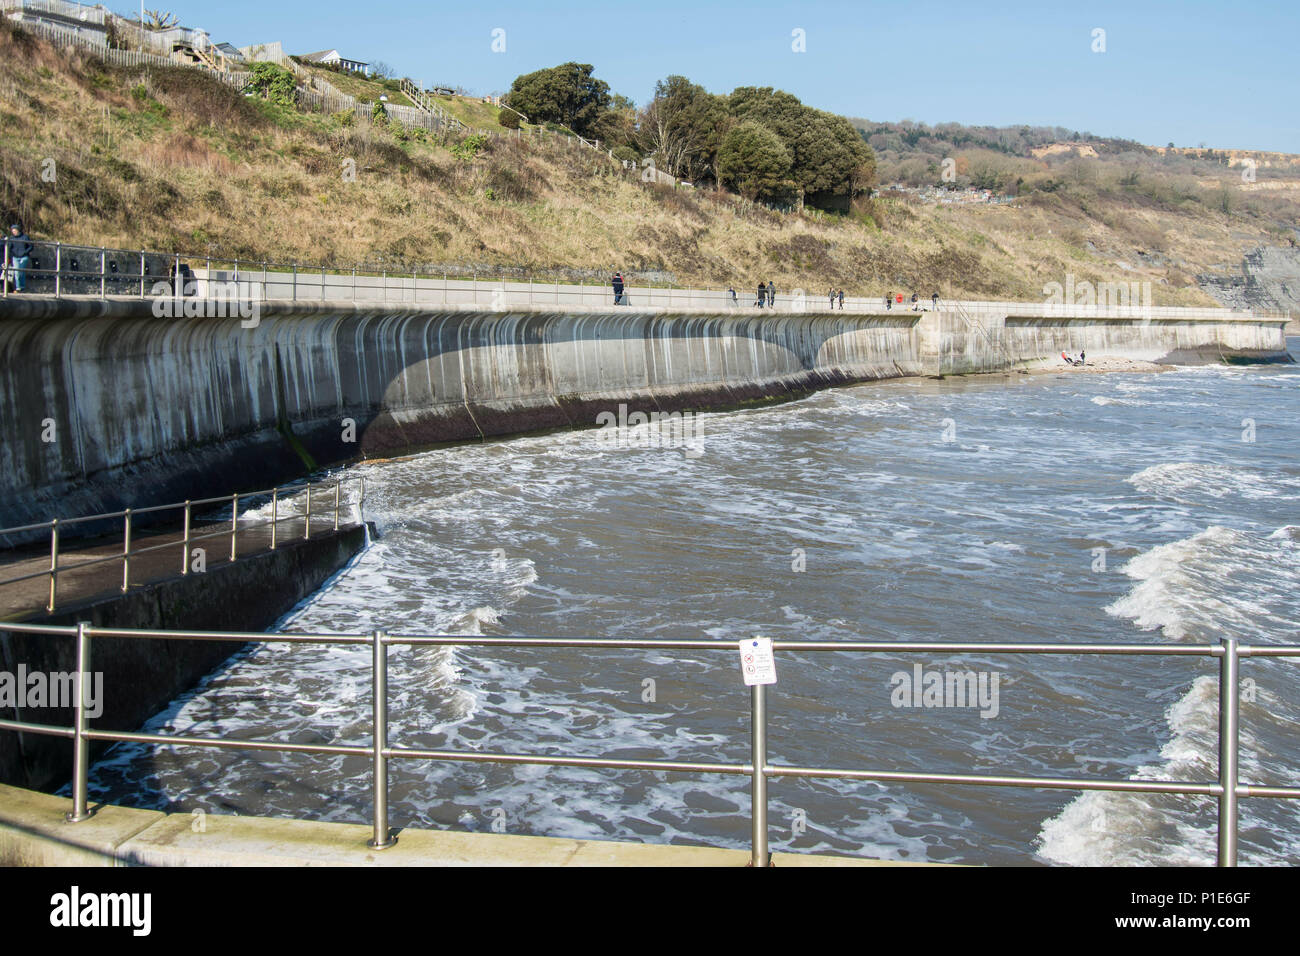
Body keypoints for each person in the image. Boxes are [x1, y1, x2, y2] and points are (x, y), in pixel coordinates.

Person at [7, 223, 32, 293]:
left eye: (14, 230)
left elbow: (30, 246)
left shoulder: (25, 237)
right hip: (15, 257)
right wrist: (10, 255)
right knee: (17, 272)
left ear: (18, 230)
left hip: (24, 257)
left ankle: (22, 287)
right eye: (12, 231)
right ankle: (18, 287)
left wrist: (25, 252)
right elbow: (9, 248)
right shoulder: (11, 238)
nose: (13, 232)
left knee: (21, 271)